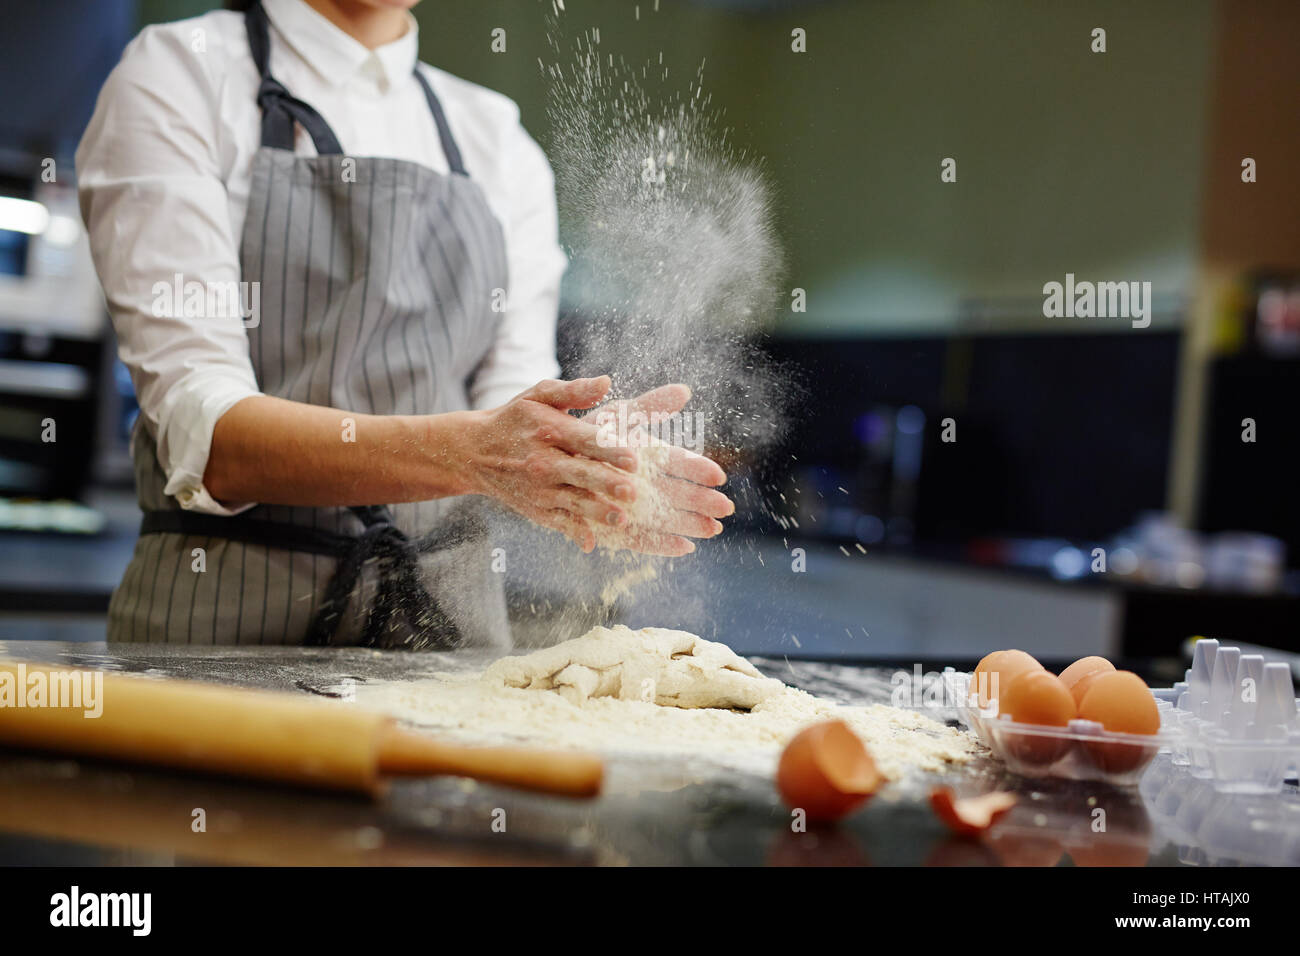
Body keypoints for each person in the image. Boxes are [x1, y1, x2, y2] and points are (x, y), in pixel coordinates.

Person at [76, 0, 733, 648]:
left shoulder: (496, 139)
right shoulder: (181, 73)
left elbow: (511, 405)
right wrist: (475, 454)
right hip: (222, 633)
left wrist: (583, 456)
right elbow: (211, 439)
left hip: (450, 639)